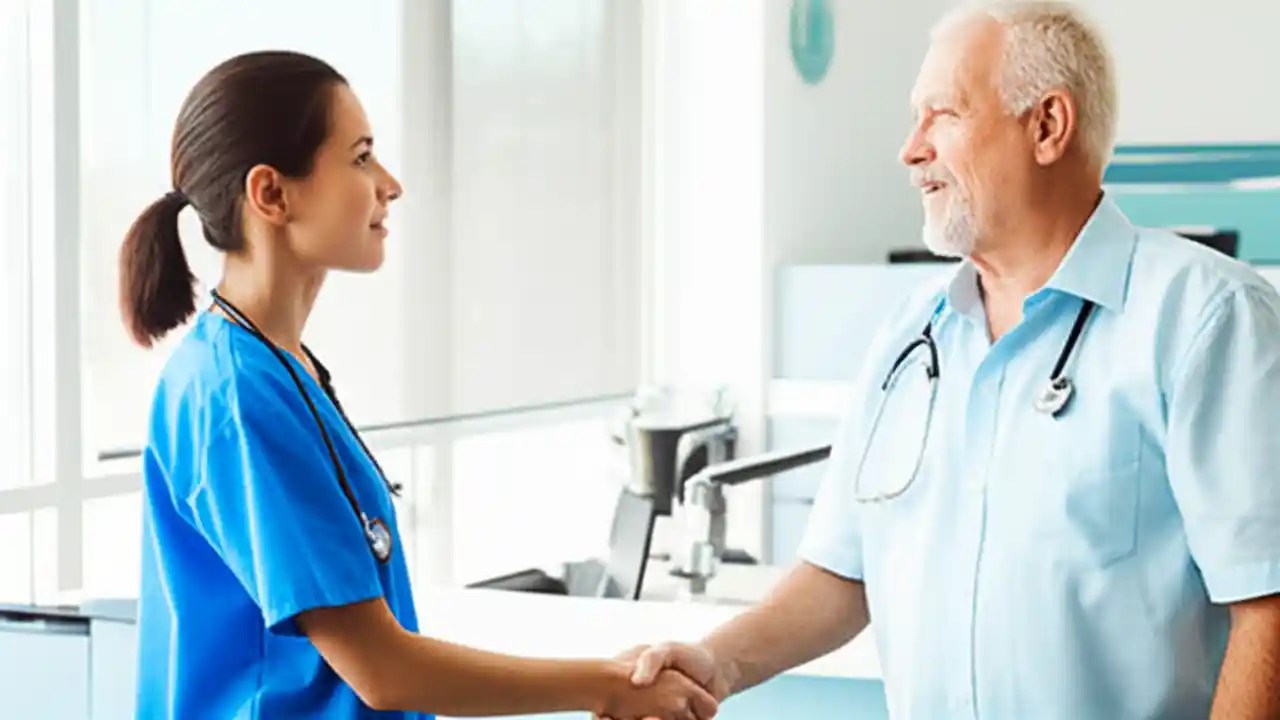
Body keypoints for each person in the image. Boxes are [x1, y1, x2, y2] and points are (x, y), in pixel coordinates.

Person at [612, 2, 1280, 719]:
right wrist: (718, 660)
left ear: (1047, 126)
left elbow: (1267, 608)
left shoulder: (1205, 319)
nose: (910, 149)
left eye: (943, 114)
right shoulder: (910, 335)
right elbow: (844, 573)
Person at [122, 50, 718, 720]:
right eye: (360, 157)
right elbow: (382, 669)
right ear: (271, 193)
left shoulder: (279, 369)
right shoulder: (234, 396)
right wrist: (607, 684)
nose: (390, 184)